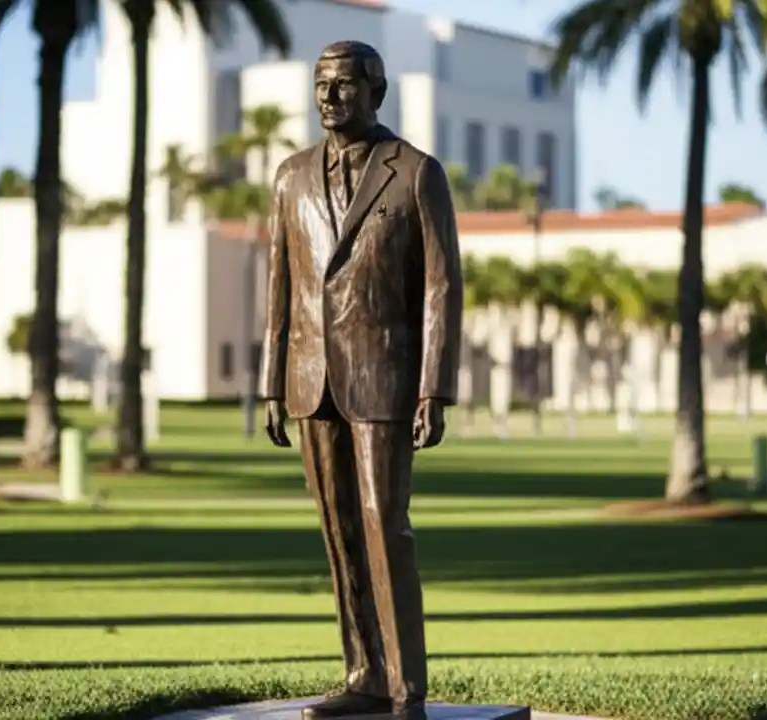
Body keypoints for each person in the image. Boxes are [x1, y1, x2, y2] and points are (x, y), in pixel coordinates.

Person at [260, 39, 463, 720]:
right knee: (339, 530)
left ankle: (407, 691)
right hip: (309, 380)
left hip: (386, 376)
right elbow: (279, 288)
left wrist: (435, 386)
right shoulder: (289, 176)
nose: (330, 96)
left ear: (376, 91)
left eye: (344, 85)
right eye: (321, 85)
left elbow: (441, 288)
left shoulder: (415, 172)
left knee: (385, 526)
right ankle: (364, 677)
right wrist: (269, 382)